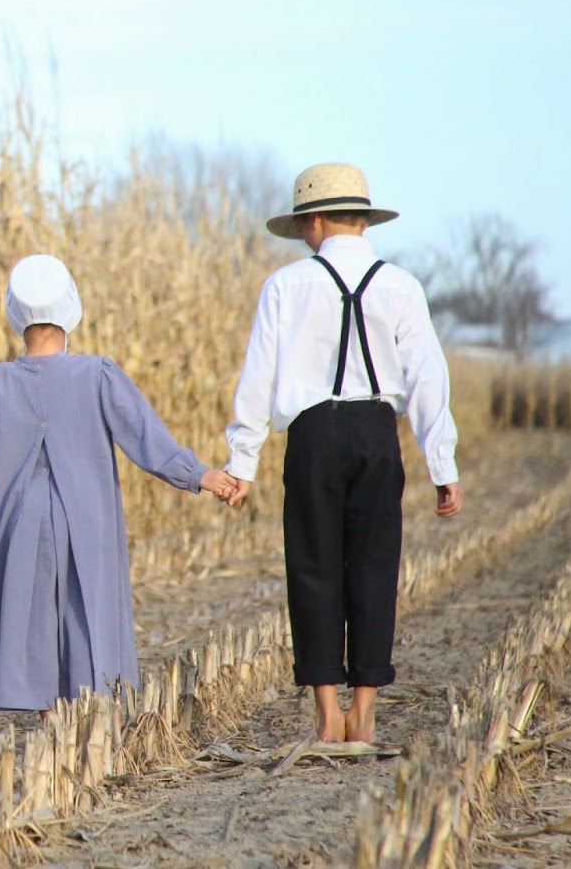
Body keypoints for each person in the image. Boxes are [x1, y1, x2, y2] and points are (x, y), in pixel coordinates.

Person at [222, 163, 462, 744]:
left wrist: (242, 462)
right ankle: (366, 713)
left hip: (312, 437)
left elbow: (259, 378)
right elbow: (429, 376)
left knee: (313, 566)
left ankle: (326, 713)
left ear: (318, 222)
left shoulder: (285, 286)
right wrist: (442, 465)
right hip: (378, 433)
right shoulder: (401, 286)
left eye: (304, 225)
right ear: (363, 221)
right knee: (376, 566)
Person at [0, 254, 238, 713]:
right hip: (88, 520)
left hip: (18, 523)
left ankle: (46, 722)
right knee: (86, 617)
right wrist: (200, 475)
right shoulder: (96, 373)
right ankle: (85, 727)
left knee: (31, 620)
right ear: (70, 306)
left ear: (13, 310)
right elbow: (144, 437)